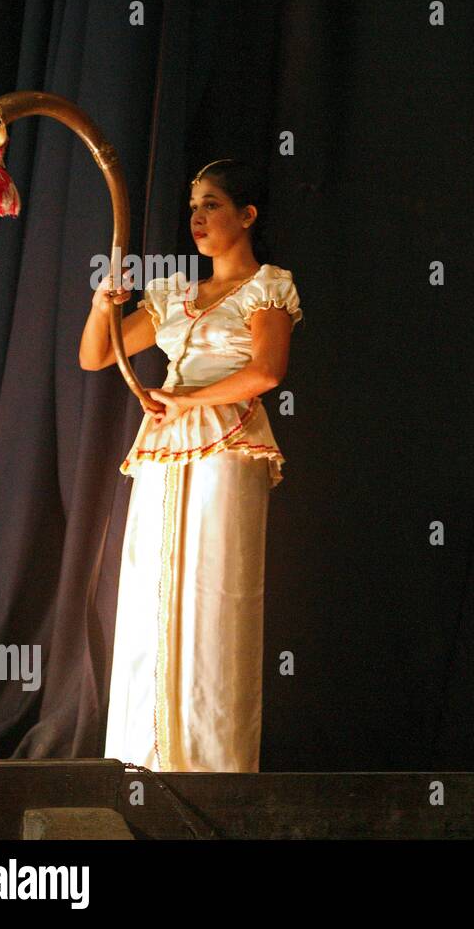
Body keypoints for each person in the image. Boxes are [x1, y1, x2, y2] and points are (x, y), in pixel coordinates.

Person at [78, 159, 303, 772]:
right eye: (193, 207)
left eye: (212, 205)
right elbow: (98, 355)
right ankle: (138, 760)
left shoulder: (268, 286)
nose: (198, 218)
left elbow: (265, 372)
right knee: (149, 587)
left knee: (214, 590)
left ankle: (210, 769)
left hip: (230, 445)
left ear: (246, 215)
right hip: (162, 449)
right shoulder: (172, 295)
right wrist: (104, 303)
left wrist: (186, 400)